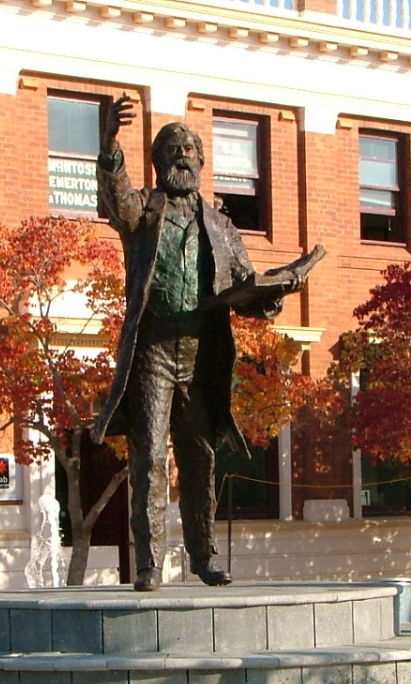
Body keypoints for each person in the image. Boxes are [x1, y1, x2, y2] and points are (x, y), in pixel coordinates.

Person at [91, 95, 308, 591]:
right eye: (171, 149)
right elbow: (114, 197)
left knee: (200, 457)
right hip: (153, 352)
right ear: (158, 161)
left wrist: (277, 292)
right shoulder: (143, 212)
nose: (181, 155)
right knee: (148, 456)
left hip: (202, 355)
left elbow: (246, 289)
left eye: (189, 148)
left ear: (203, 162)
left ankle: (203, 555)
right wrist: (108, 147)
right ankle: (148, 563)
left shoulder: (223, 227)